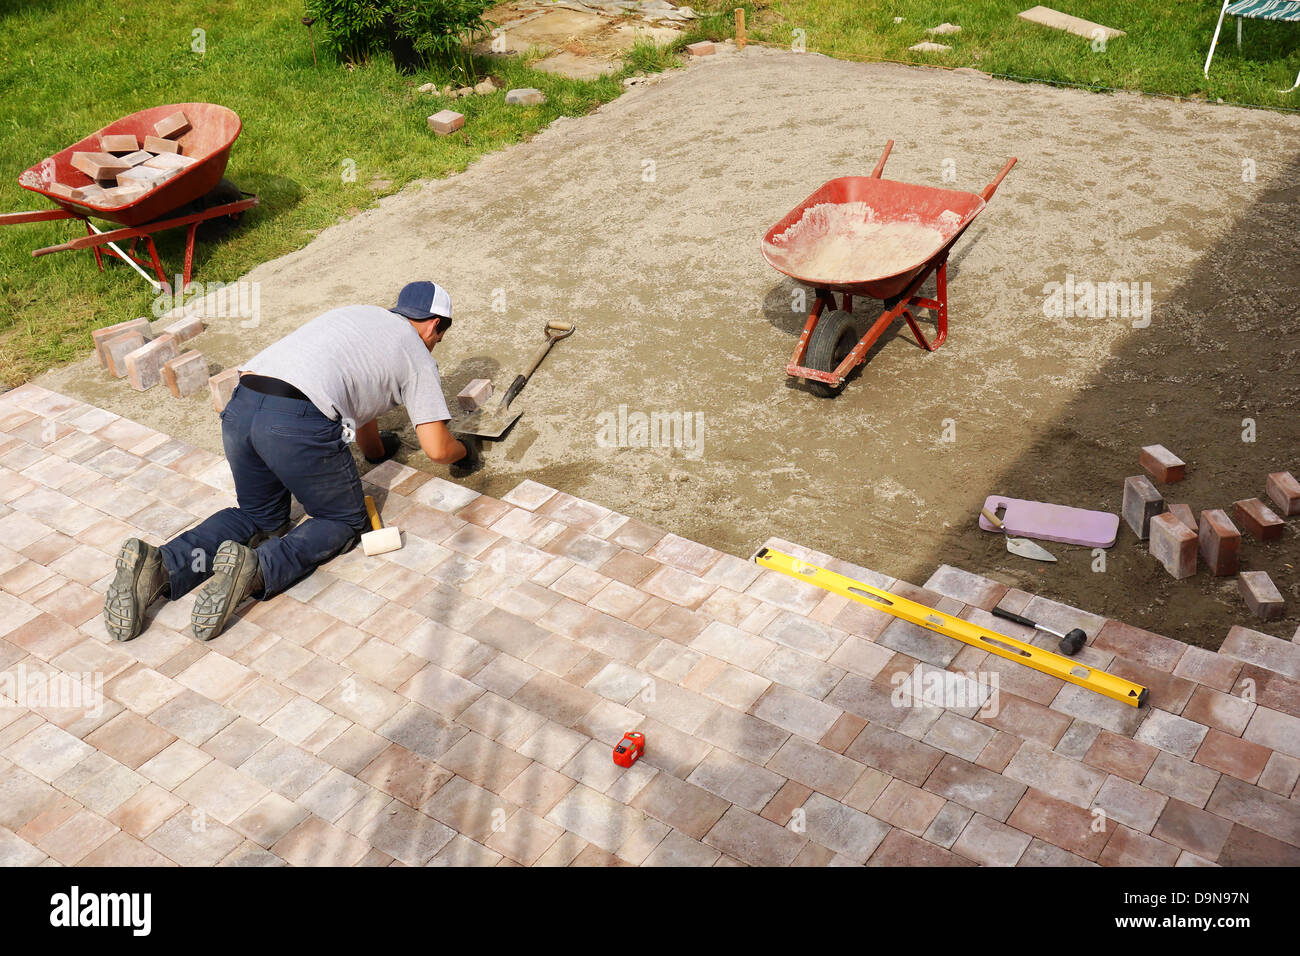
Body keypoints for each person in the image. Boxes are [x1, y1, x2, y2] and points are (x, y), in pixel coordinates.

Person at [103, 280, 479, 643]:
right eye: (437, 339)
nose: (433, 346)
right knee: (342, 519)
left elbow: (358, 403)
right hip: (294, 421)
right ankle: (257, 568)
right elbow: (438, 450)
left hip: (243, 404)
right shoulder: (416, 354)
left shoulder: (358, 316)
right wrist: (466, 451)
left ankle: (162, 564)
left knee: (258, 516)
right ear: (433, 325)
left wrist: (377, 450)